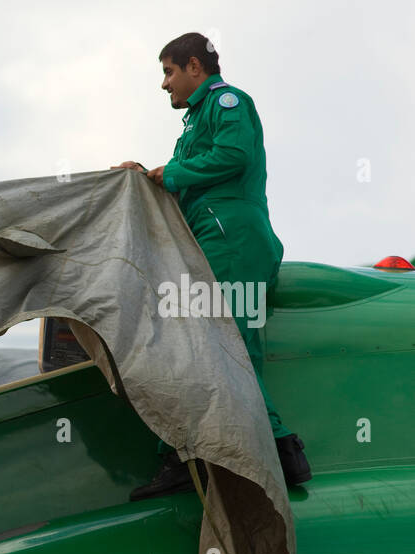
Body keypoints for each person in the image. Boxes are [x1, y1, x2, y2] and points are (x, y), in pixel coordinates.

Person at [114, 32, 311, 500]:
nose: (165, 85)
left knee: (223, 348)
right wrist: (144, 176)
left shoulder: (226, 101)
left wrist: (173, 173)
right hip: (218, 241)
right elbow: (186, 180)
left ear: (195, 67)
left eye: (168, 72)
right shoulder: (195, 122)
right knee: (221, 345)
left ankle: (279, 452)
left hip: (232, 242)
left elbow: (233, 155)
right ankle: (202, 456)